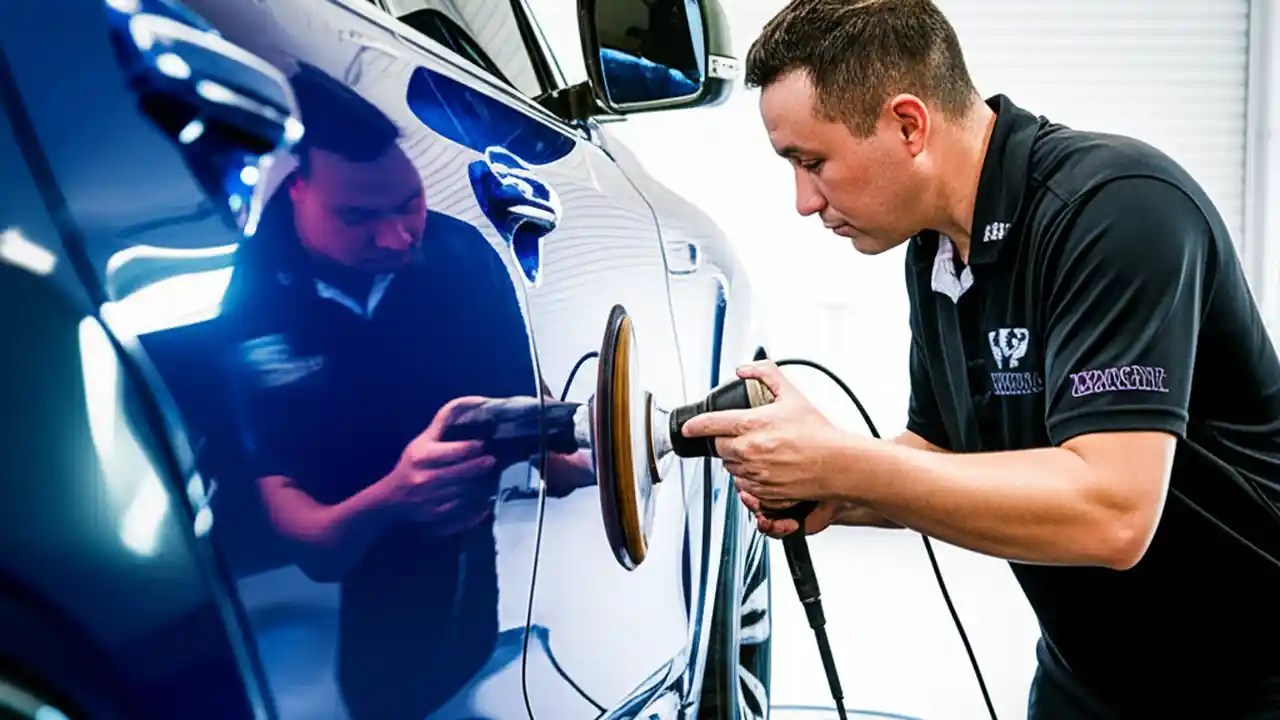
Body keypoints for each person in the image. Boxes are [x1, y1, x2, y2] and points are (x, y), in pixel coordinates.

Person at [679, 1, 1280, 718]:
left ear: (909, 125)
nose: (805, 202)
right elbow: (938, 453)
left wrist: (842, 464)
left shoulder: (1119, 211)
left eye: (813, 163)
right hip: (1086, 678)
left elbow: (1114, 512)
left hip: (1249, 684)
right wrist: (831, 490)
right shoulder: (937, 254)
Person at [220, 63, 592, 719]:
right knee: (379, 695)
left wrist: (618, 445)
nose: (397, 237)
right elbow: (309, 545)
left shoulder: (460, 255)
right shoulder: (252, 300)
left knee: (465, 675)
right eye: (359, 216)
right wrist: (395, 495)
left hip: (472, 552)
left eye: (407, 204)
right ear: (296, 189)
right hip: (352, 572)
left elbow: (545, 440)